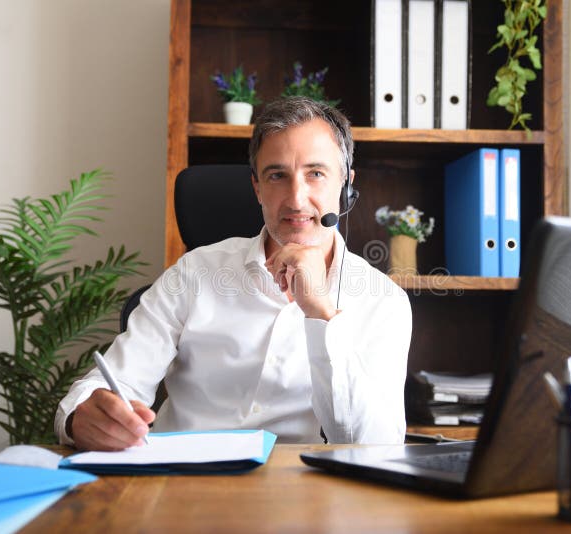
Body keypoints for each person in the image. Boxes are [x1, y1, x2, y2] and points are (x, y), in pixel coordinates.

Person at [55, 97, 412, 450]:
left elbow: (374, 445)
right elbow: (115, 382)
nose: (296, 199)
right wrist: (82, 418)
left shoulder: (382, 301)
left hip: (292, 493)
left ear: (346, 185)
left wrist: (321, 313)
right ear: (257, 187)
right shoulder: (194, 272)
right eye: (277, 176)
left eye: (316, 174)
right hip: (182, 481)